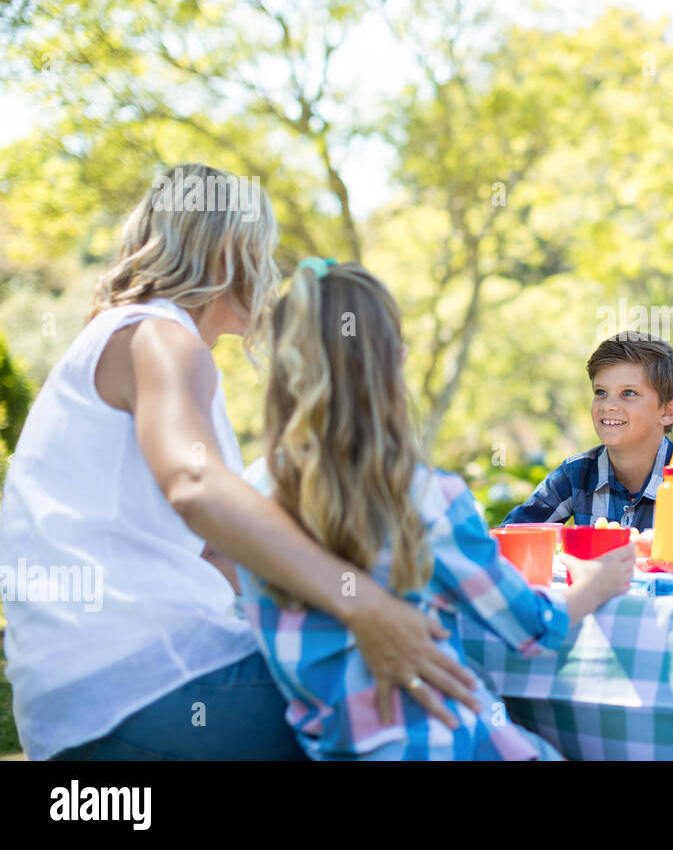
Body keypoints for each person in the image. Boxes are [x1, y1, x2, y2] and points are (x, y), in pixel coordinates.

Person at [0, 164, 479, 761]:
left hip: (76, 711)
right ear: (229, 254)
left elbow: (217, 552)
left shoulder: (115, 341)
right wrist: (367, 605)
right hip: (158, 686)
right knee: (426, 699)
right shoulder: (163, 339)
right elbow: (195, 483)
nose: (273, 275)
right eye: (265, 252)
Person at [236, 260, 633, 759]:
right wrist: (597, 582)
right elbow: (532, 627)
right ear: (392, 363)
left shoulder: (248, 496)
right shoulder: (424, 497)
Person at [502, 331, 673, 531]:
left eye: (628, 393)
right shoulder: (575, 475)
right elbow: (510, 537)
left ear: (668, 411)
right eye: (601, 392)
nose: (608, 405)